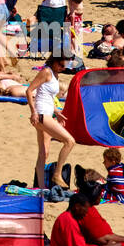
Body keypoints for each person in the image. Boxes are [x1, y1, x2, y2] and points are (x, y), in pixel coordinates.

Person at [27, 55, 73, 189]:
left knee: (44, 153)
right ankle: (57, 174)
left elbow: (47, 96)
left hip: (47, 113)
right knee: (69, 141)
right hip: (41, 115)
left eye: (65, 66)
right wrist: (33, 112)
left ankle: (41, 189)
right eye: (61, 65)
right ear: (54, 61)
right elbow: (29, 91)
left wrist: (56, 111)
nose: (62, 68)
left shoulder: (55, 74)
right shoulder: (46, 72)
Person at [49, 193, 124, 246]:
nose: (85, 214)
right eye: (85, 211)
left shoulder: (67, 217)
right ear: (77, 207)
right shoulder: (69, 221)